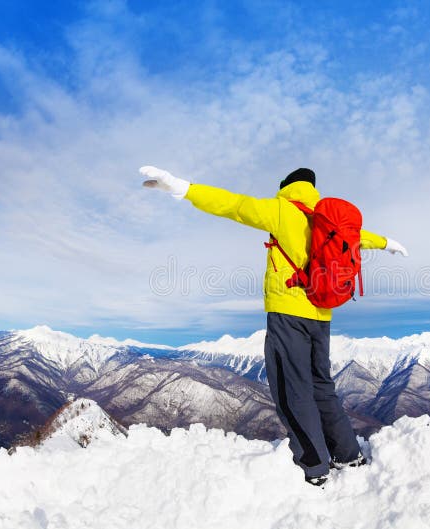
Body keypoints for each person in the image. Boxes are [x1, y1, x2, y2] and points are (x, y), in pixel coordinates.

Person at [141, 166, 408, 486]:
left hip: (287, 314)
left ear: (287, 187)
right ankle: (348, 454)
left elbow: (233, 204)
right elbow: (361, 238)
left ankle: (314, 465)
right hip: (322, 314)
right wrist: (387, 242)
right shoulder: (330, 220)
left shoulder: (282, 210)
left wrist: (183, 188)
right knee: (322, 386)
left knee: (292, 390)